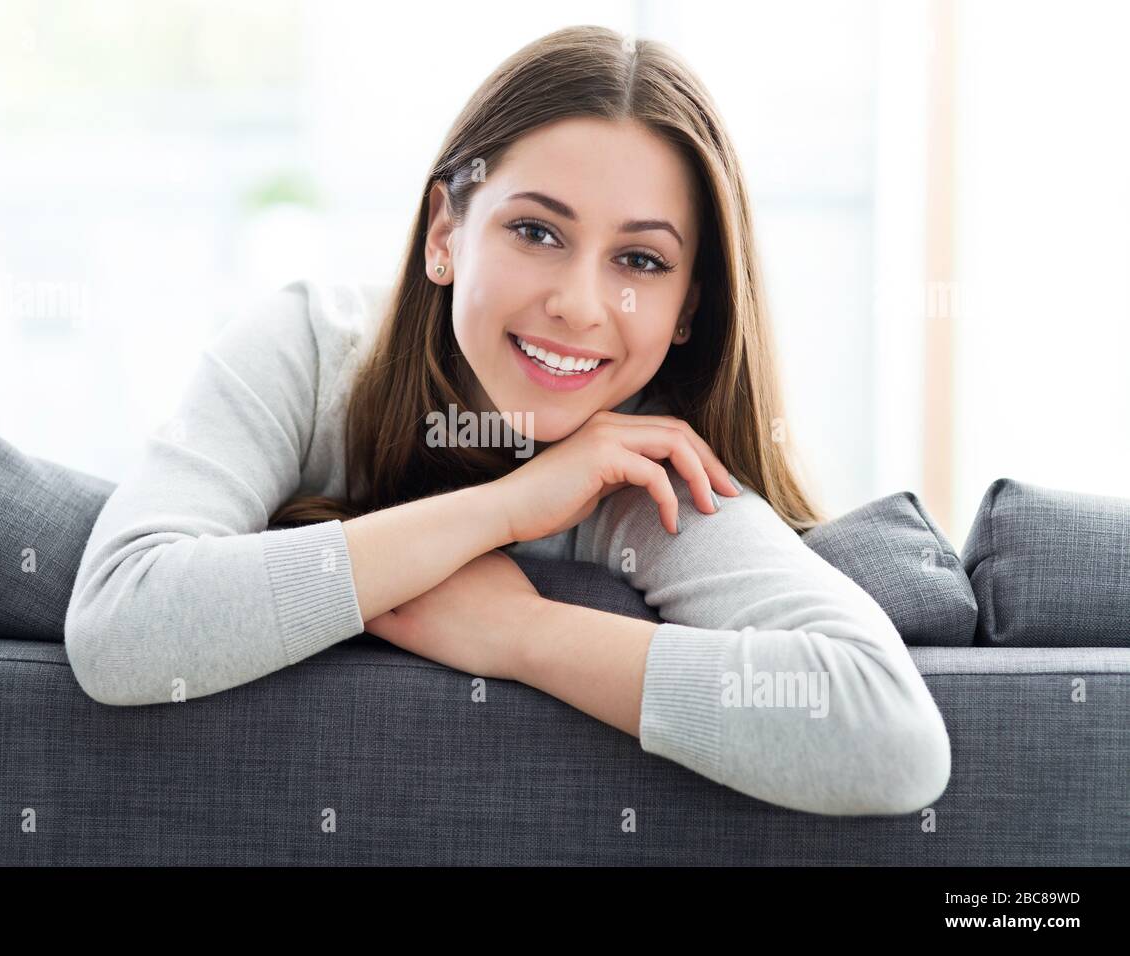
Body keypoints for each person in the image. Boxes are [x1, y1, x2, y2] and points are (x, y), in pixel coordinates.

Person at [64, 25, 951, 816]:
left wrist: (522, 635)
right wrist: (505, 509)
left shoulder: (653, 479)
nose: (577, 303)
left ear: (687, 309)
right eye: (536, 232)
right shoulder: (308, 351)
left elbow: (890, 736)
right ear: (445, 233)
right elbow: (120, 627)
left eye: (640, 259)